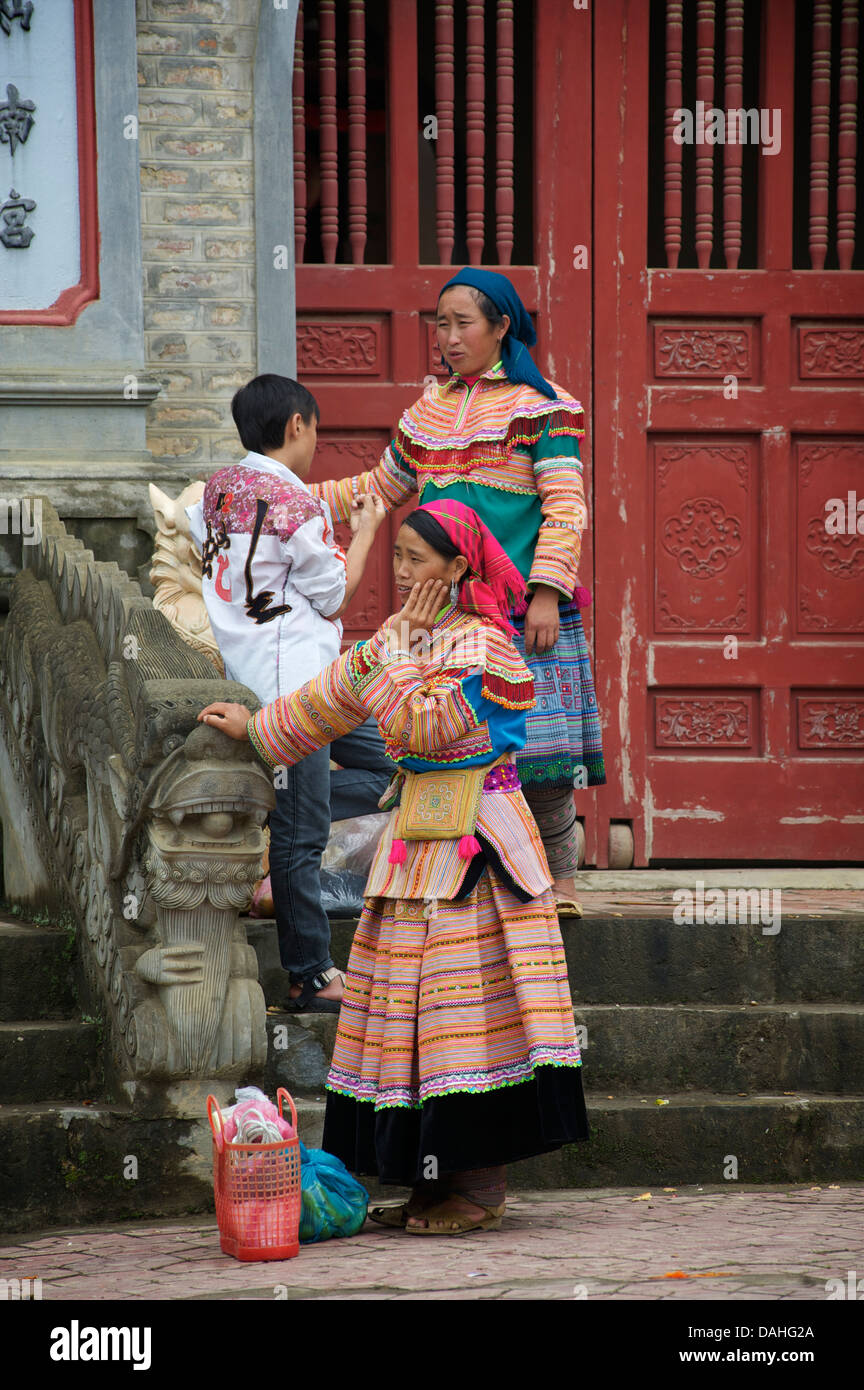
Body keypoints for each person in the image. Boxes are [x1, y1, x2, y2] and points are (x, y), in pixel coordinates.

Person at [199, 499, 589, 1236]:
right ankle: (429, 1186)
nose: (402, 570)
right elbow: (332, 697)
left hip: (477, 856)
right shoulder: (407, 639)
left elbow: (423, 726)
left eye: (416, 558)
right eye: (399, 555)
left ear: (459, 566)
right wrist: (255, 726)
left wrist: (397, 652)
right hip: (415, 850)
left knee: (465, 1020)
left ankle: (478, 1189)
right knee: (407, 1017)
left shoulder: (490, 648)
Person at [308, 268, 605, 917]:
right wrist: (289, 501)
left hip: (526, 611)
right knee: (453, 744)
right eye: (440, 323)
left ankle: (563, 882)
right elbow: (376, 491)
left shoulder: (545, 408)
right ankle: (475, 876)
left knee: (541, 757)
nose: (447, 336)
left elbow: (565, 506)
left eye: (461, 322)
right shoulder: (427, 414)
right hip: (444, 615)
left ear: (501, 326)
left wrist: (549, 591)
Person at [186, 373, 396, 1013]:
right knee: (302, 841)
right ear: (297, 426)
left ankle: (288, 815)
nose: (316, 441)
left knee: (394, 763)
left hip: (269, 673)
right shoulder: (295, 503)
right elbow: (333, 594)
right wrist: (366, 530)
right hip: (299, 692)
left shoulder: (217, 490)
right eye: (316, 428)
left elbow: (228, 549)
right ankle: (309, 974)